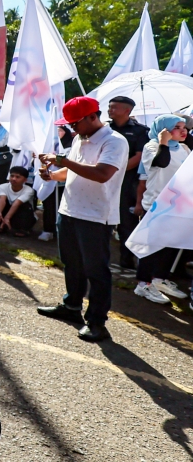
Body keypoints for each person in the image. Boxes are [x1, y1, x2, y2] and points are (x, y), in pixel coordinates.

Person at [38, 96, 129, 342]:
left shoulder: (114, 141)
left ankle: (97, 322)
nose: (72, 128)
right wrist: (54, 175)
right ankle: (71, 307)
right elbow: (73, 168)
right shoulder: (80, 137)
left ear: (93, 117)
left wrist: (62, 161)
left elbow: (101, 174)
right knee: (72, 264)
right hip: (69, 210)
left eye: (75, 123)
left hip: (96, 216)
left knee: (96, 271)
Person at [132, 114, 190, 304]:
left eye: (185, 127)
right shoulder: (151, 147)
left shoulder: (183, 148)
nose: (184, 131)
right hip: (157, 204)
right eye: (178, 127)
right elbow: (162, 162)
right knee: (152, 247)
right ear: (164, 130)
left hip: (178, 205)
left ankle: (158, 279)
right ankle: (143, 284)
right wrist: (163, 142)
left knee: (170, 245)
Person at [106, 96, 150, 270]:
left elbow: (139, 157)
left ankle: (127, 259)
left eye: (114, 108)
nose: (110, 110)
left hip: (126, 182)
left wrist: (114, 170)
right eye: (109, 107)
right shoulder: (104, 129)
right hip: (105, 180)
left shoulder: (140, 131)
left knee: (126, 222)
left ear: (127, 111)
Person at [39, 124, 73, 242]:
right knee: (49, 205)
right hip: (50, 181)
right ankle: (48, 230)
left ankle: (62, 231)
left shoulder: (73, 144)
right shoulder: (48, 143)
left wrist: (56, 159)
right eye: (56, 130)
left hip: (64, 183)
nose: (58, 132)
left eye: (61, 130)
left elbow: (68, 163)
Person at [0, 165, 36, 236]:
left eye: (18, 177)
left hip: (22, 214)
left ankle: (24, 228)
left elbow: (17, 203)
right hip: (9, 211)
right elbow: (2, 199)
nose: (13, 179)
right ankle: (1, 223)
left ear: (25, 180)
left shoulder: (29, 190)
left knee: (25, 206)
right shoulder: (2, 187)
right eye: (12, 176)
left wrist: (7, 218)